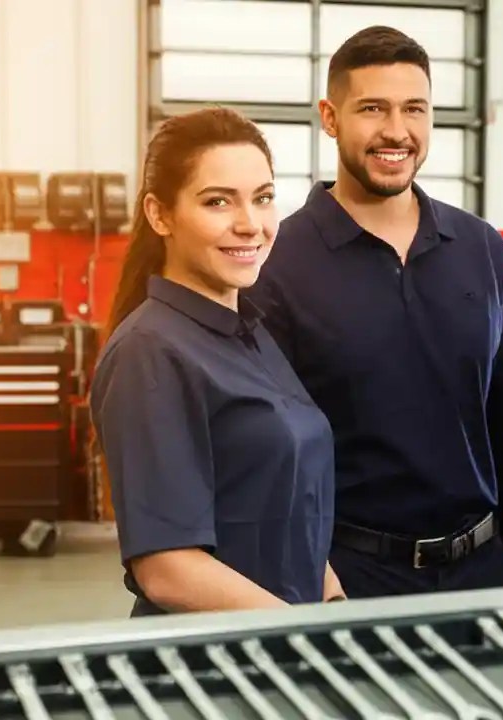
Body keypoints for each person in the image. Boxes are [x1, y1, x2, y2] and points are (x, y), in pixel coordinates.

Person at [243, 26, 503, 598]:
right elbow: (265, 447)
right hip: (345, 575)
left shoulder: (483, 248)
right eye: (372, 109)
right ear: (330, 117)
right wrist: (303, 568)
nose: (396, 131)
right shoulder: (277, 261)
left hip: (481, 571)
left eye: (415, 109)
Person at [90, 108, 344, 615]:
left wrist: (335, 604)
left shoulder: (251, 335)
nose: (250, 225)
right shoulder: (151, 353)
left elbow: (293, 511)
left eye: (263, 198)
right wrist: (303, 636)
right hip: (212, 668)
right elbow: (168, 569)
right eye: (217, 202)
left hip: (287, 654)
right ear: (160, 215)